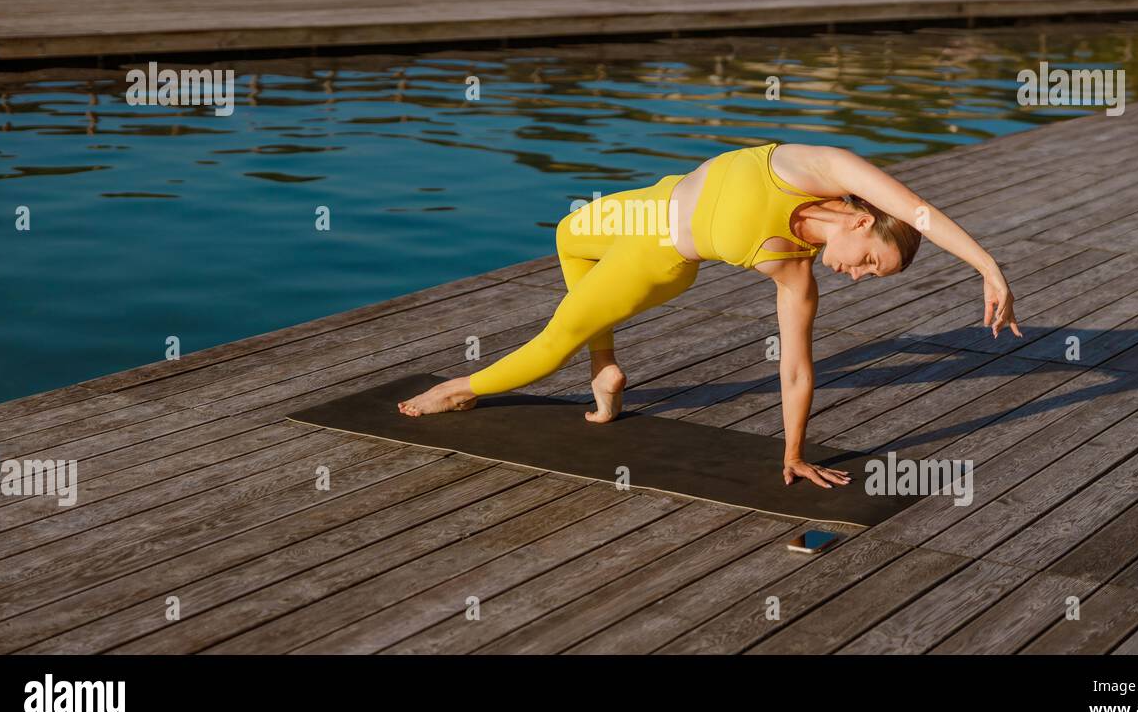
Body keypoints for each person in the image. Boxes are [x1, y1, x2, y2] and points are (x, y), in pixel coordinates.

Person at [399, 142, 1022, 489]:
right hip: (649, 204)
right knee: (568, 233)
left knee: (555, 337)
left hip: (659, 255)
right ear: (862, 220)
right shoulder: (820, 170)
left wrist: (795, 450)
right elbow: (916, 212)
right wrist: (986, 267)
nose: (856, 275)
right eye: (868, 263)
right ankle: (606, 366)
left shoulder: (794, 271)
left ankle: (457, 389)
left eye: (866, 276)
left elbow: (799, 370)